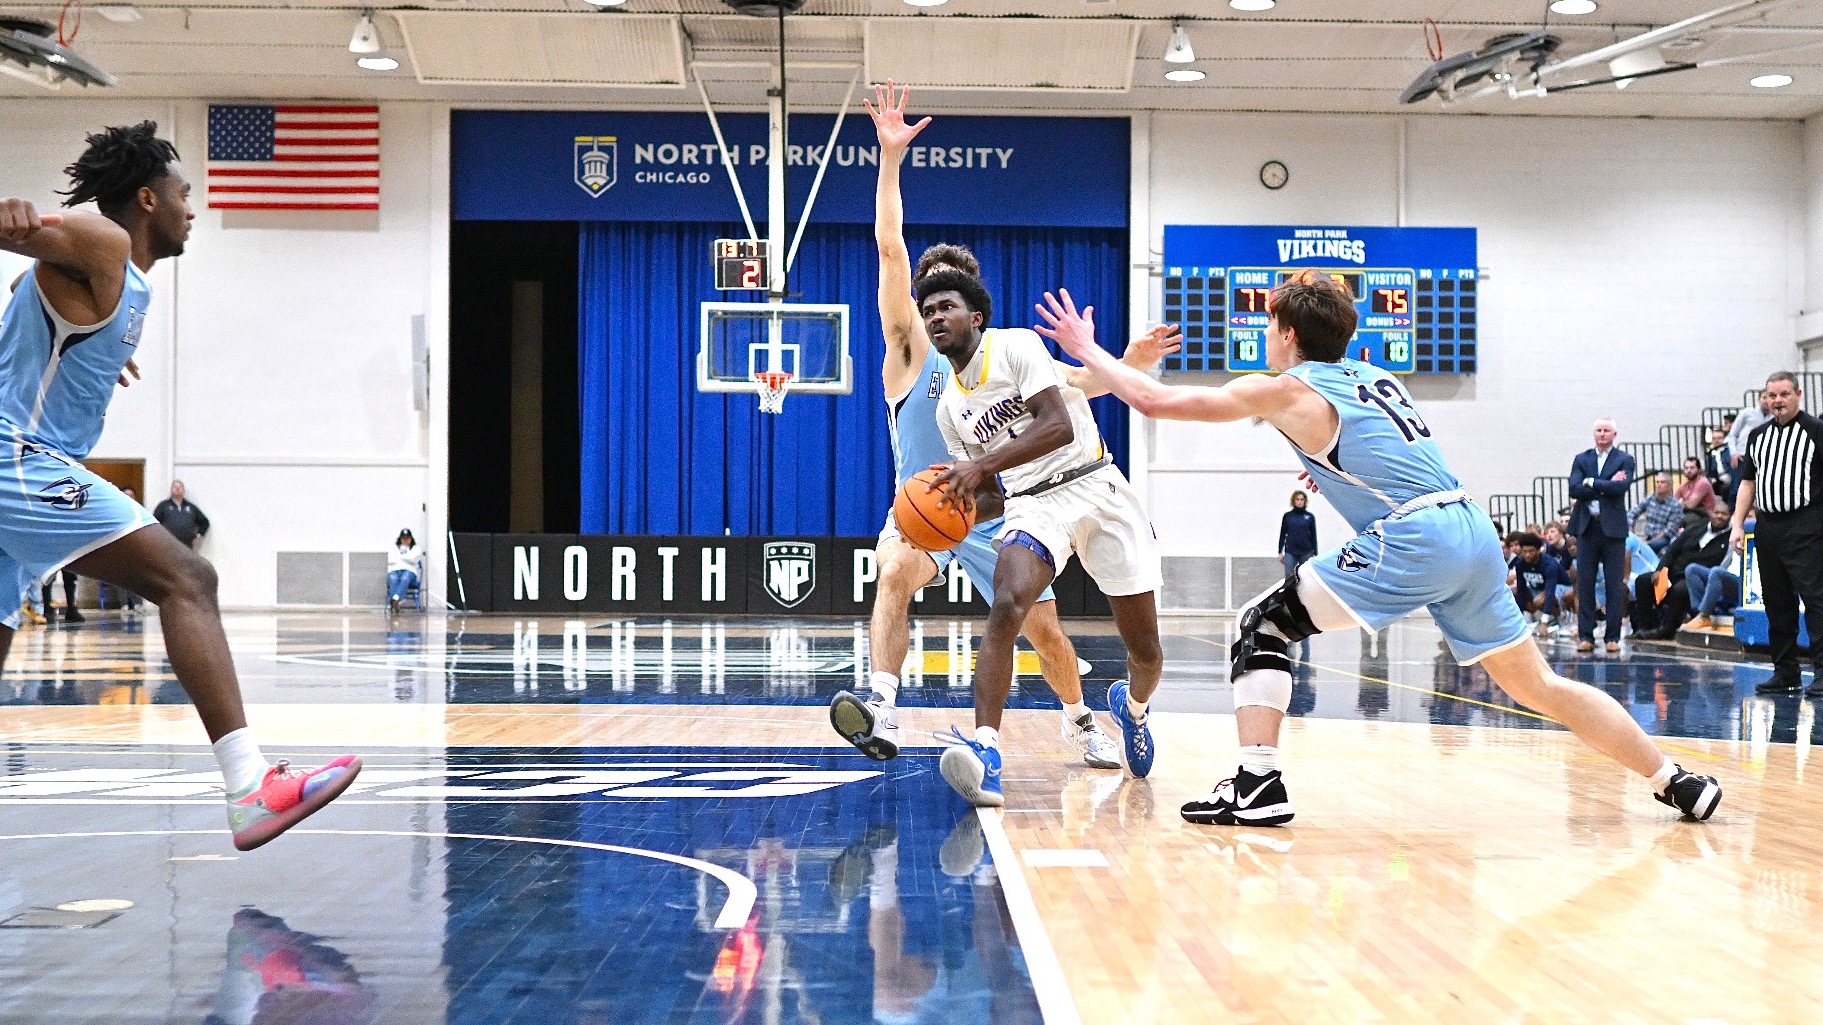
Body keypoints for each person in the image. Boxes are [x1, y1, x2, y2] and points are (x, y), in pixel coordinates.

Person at [1036, 273, 1721, 825]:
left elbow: (1154, 403)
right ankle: (1674, 780)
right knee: (1539, 685)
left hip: (1418, 535)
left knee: (1260, 623)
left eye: (1268, 326)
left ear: (1285, 333)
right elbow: (1382, 448)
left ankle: (1256, 782)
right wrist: (1327, 464)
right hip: (1470, 530)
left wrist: (1088, 349)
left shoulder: (1286, 389)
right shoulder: (1375, 379)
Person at [0, 122, 360, 850]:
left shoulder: (115, 285)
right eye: (183, 193)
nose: (192, 207)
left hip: (25, 463)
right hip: (17, 458)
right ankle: (250, 784)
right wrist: (12, 218)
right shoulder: (101, 241)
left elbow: (31, 300)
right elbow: (35, 245)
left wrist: (92, 353)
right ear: (146, 198)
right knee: (188, 577)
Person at [827, 82, 1172, 774]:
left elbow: (1077, 392)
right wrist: (890, 159)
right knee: (892, 567)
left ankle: (1080, 722)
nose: (933, 307)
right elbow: (889, 248)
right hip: (925, 507)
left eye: (949, 295)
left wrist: (1124, 362)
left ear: (972, 306)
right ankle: (883, 705)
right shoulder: (907, 351)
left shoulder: (1003, 359)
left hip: (999, 505)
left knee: (1043, 629)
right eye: (928, 294)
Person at [914, 269, 1166, 807]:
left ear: (975, 316)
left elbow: (1058, 425)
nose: (936, 316)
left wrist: (979, 468)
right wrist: (944, 513)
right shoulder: (947, 410)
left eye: (947, 306)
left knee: (1145, 650)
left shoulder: (1016, 347)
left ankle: (1134, 709)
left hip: (1096, 485)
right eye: (928, 309)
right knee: (1007, 605)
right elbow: (991, 495)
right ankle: (986, 749)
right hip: (1033, 505)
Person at [1730, 371, 1823, 696]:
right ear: (1765, 399)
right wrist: (1737, 524)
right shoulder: (1757, 435)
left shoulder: (1817, 431)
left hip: (1807, 524)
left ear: (1798, 394)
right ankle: (1786, 672)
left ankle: (1822, 673)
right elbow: (1747, 483)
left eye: (1784, 394)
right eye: (1772, 396)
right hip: (1768, 526)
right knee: (1776, 602)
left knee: (1816, 600)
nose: (1778, 401)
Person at [1568, 419, 1636, 653]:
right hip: (1587, 527)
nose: (1602, 434)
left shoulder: (1625, 459)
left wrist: (1592, 482)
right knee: (1585, 583)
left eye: (1606, 430)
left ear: (1615, 434)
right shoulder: (1582, 459)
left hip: (1613, 529)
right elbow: (1574, 488)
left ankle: (1612, 637)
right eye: (1598, 430)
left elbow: (1621, 488)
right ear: (1593, 433)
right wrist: (1605, 484)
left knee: (1614, 584)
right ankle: (1586, 636)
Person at [1635, 502, 1731, 639]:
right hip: (1673, 572)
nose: (1720, 516)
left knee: (1680, 590)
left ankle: (1667, 630)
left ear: (1730, 516)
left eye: (1724, 514)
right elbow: (1672, 550)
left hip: (1696, 579)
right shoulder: (1695, 528)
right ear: (1711, 513)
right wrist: (1660, 570)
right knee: (1643, 580)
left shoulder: (1730, 538)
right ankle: (1644, 627)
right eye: (1717, 513)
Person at [1507, 533, 1569, 637]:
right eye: (1525, 551)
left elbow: (1550, 591)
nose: (1527, 554)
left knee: (1539, 600)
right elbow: (1521, 590)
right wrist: (1518, 621)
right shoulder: (1520, 564)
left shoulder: (1549, 564)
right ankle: (1532, 621)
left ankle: (1560, 618)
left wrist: (1544, 622)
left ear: (1539, 550)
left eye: (1531, 551)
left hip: (1560, 588)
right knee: (1513, 592)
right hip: (1538, 589)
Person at [1629, 472, 1683, 555]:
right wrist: (1631, 529)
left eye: (1662, 482)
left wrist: (1649, 542)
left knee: (1649, 546)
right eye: (1657, 482)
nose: (1659, 485)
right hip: (1647, 536)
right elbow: (1633, 512)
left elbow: (1669, 531)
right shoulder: (1650, 498)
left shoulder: (1675, 505)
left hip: (1664, 540)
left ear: (1669, 486)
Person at [1726, 388, 1773, 473]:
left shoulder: (1776, 417)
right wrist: (1734, 453)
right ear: (1759, 400)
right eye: (1764, 397)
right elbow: (1732, 434)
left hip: (1765, 459)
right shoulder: (1747, 413)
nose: (1766, 401)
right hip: (1743, 456)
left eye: (1770, 397)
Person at [154, 478, 209, 549]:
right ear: (171, 489)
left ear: (183, 490)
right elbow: (154, 523)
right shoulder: (163, 506)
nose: (177, 489)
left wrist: (199, 535)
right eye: (175, 487)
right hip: (167, 546)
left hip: (187, 547)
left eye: (180, 487)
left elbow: (205, 522)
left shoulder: (191, 507)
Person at [1277, 489, 1318, 576]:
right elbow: (1283, 534)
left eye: (1302, 499)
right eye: (1297, 499)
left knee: (1305, 576)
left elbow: (1313, 536)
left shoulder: (1309, 517)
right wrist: (1280, 551)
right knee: (1289, 576)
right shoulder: (1288, 516)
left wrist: (1315, 553)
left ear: (1305, 501)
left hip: (1306, 552)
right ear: (1293, 501)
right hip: (1291, 552)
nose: (1299, 502)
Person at [387, 529, 421, 615]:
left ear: (411, 539)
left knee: (405, 578)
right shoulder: (393, 548)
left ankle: (395, 599)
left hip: (410, 572)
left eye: (407, 538)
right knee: (392, 578)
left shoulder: (416, 548)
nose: (405, 540)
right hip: (395, 570)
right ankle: (396, 601)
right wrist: (406, 557)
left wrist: (400, 557)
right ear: (400, 539)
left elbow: (413, 559)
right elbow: (391, 559)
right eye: (403, 538)